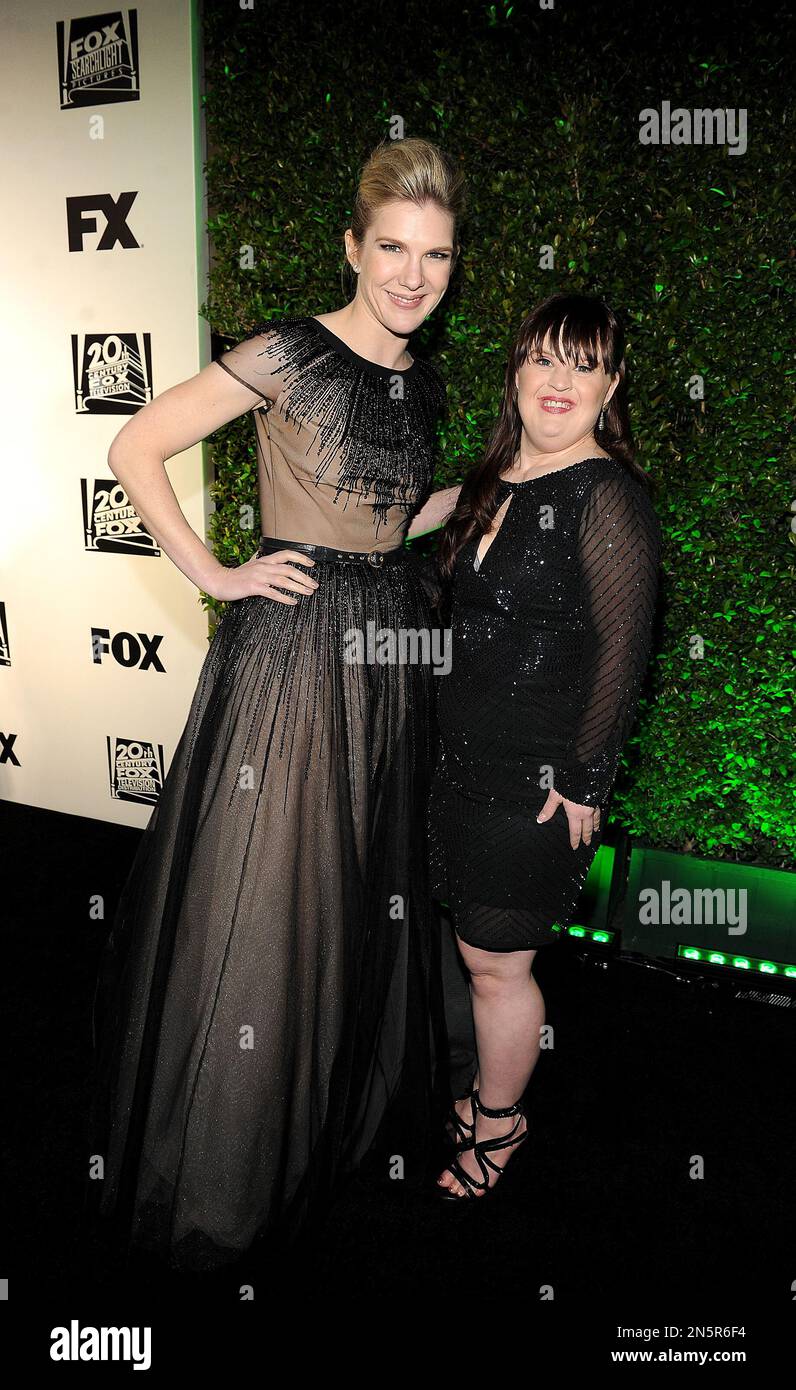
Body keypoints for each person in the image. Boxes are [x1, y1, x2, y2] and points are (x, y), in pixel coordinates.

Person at [83, 137, 466, 1272]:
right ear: (352, 247)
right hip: (294, 663)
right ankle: (223, 1176)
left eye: (435, 255)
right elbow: (136, 440)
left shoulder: (424, 377)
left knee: (355, 900)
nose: (411, 274)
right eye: (391, 247)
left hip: (388, 664)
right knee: (269, 910)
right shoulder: (290, 352)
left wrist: (494, 488)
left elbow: (391, 520)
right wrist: (214, 572)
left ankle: (325, 1130)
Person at [428, 293, 662, 1199]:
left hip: (535, 781)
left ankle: (500, 1124)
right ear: (516, 372)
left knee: (497, 964)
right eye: (542, 359)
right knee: (474, 952)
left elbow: (625, 649)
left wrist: (583, 781)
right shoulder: (495, 481)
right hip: (459, 764)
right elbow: (380, 533)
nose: (559, 381)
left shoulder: (606, 495)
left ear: (612, 385)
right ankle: (491, 1096)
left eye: (584, 362)